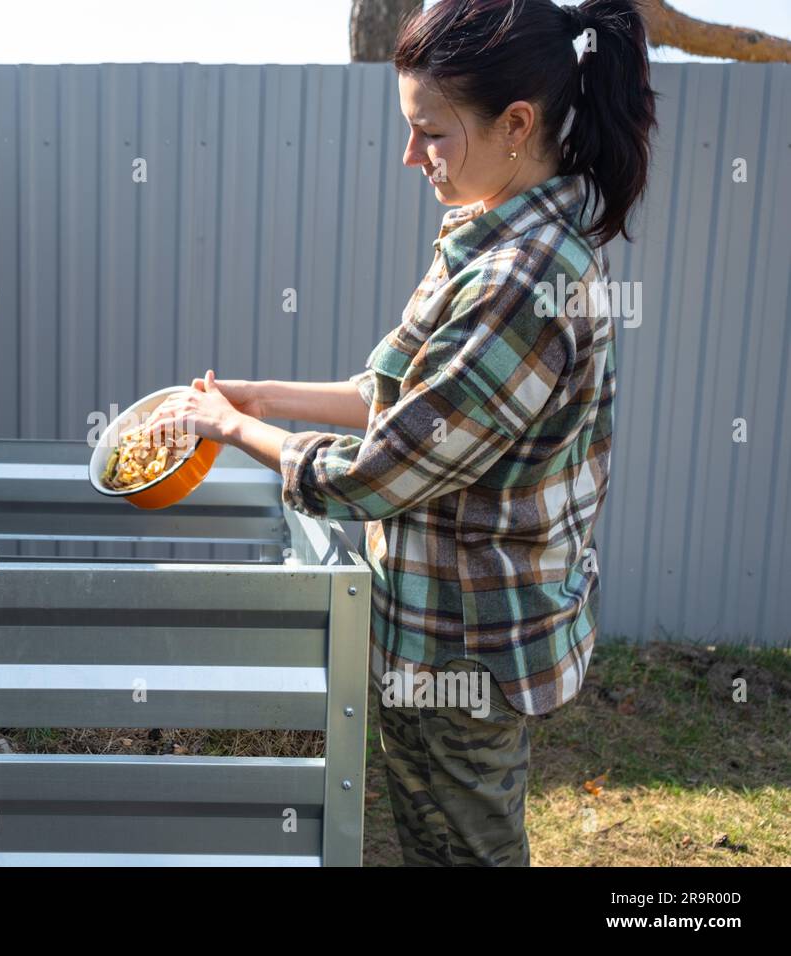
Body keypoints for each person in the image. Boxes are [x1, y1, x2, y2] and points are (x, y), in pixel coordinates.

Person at [143, 0, 657, 865]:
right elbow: (395, 395)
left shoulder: (521, 280)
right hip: (430, 626)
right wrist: (259, 397)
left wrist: (229, 429)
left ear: (517, 124)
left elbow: (375, 473)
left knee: (467, 854)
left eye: (432, 133)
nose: (413, 155)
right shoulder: (492, 230)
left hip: (468, 645)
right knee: (434, 842)